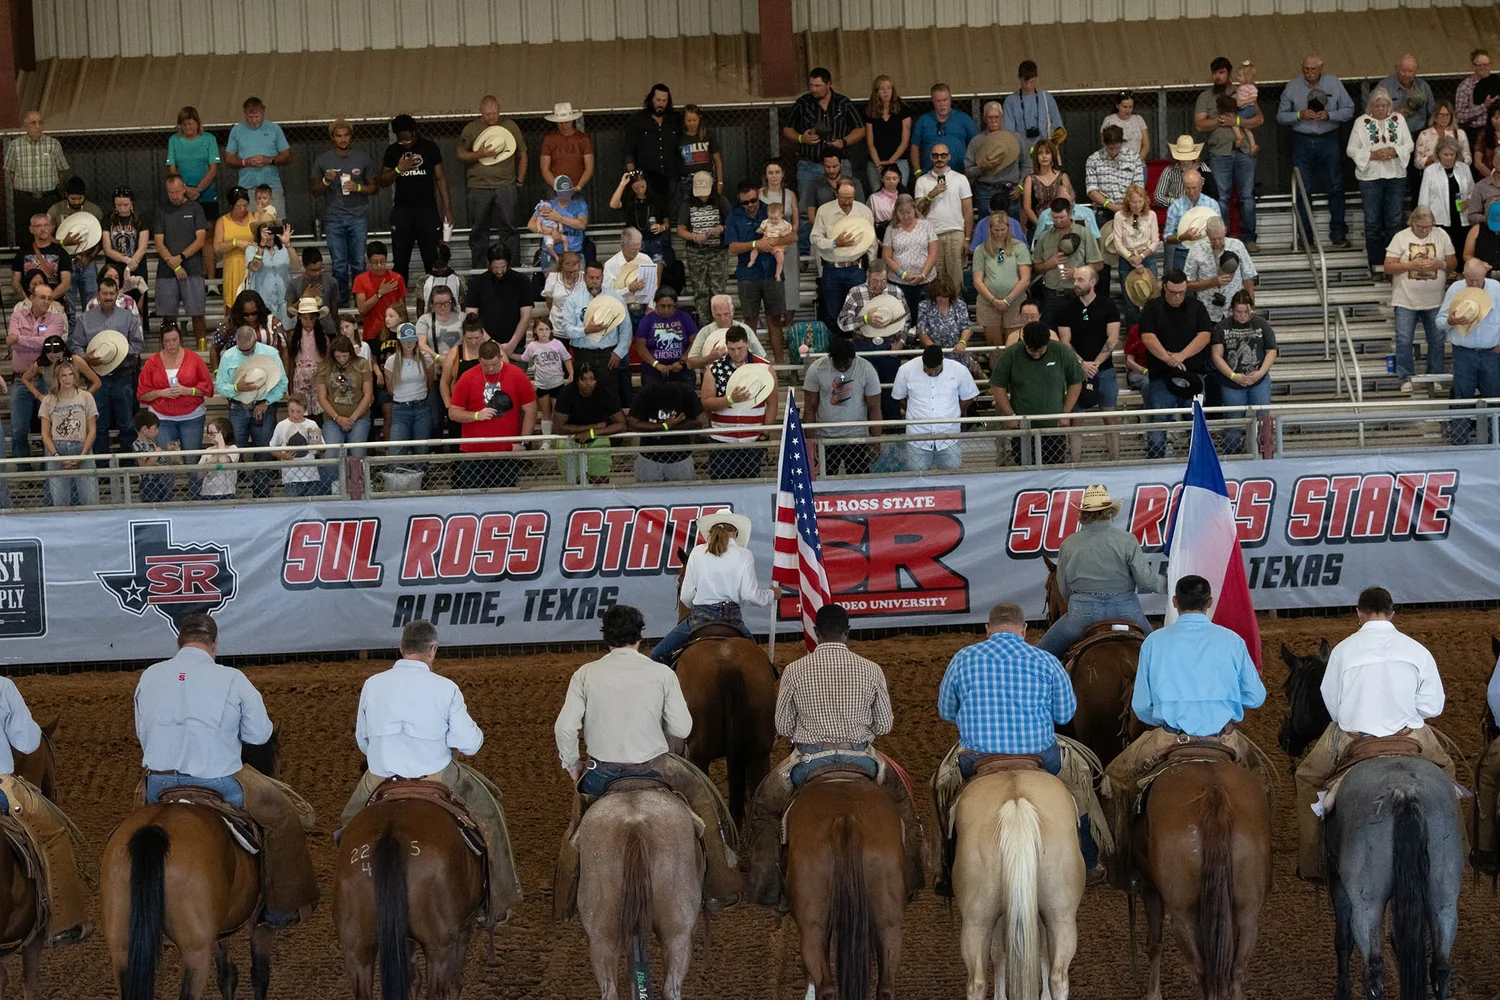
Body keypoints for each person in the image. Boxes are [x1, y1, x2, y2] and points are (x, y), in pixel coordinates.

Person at [554, 604, 741, 916]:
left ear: (605, 638)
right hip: (656, 767)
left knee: (576, 827)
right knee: (704, 803)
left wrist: (573, 764)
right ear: (640, 638)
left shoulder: (585, 674)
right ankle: (719, 885)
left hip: (602, 772)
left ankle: (565, 898)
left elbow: (564, 727)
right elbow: (683, 727)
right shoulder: (661, 673)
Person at [135, 612, 318, 925]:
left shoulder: (149, 676)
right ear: (214, 645)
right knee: (283, 816)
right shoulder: (233, 679)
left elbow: (143, 734)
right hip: (219, 781)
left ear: (179, 642)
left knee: (138, 827)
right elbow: (259, 735)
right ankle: (281, 905)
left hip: (158, 785)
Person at [340, 618, 522, 923]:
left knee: (349, 825)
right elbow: (471, 744)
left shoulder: (372, 685)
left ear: (401, 648)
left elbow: (362, 740)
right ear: (432, 650)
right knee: (490, 812)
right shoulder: (445, 688)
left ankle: (350, 898)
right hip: (437, 773)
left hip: (381, 774)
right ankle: (499, 898)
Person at [744, 602, 923, 909]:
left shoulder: (794, 670)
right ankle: (912, 877)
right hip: (862, 759)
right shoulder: (871, 669)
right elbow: (885, 724)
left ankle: (768, 887)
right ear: (847, 632)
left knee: (764, 807)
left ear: (816, 633)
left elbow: (783, 725)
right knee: (905, 806)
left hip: (807, 763)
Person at [1100, 575, 1266, 883]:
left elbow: (1142, 708)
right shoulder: (1231, 640)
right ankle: (1259, 859)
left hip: (1168, 737)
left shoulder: (1154, 642)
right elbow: (1256, 697)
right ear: (1209, 602)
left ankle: (1122, 867)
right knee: (1263, 782)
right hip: (1224, 736)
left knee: (1114, 781)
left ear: (1175, 603)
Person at [931, 602, 1105, 894]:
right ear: (1024, 630)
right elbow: (1064, 715)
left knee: (942, 789)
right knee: (1080, 782)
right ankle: (1087, 858)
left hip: (977, 756)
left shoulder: (963, 658)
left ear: (988, 630)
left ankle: (948, 866)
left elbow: (947, 711)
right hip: (1039, 754)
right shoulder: (1046, 660)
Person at [1293, 587, 1457, 880]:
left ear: (1359, 613)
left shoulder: (1343, 650)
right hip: (1410, 734)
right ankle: (1458, 848)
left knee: (1306, 778)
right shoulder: (1417, 650)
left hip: (1355, 736)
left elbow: (1332, 704)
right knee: (1447, 770)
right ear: (1392, 613)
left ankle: (1313, 863)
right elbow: (1434, 706)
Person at [1038, 484, 1161, 658]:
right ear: (1110, 512)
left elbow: (1063, 587)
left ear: (1082, 514)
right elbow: (1146, 580)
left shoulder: (1068, 544)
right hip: (1127, 611)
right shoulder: (1127, 540)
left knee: (1041, 654)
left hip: (1082, 613)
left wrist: (1077, 603)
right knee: (1160, 653)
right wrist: (1171, 585)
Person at [649, 512, 776, 663]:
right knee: (761, 662)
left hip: (700, 618)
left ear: (711, 531)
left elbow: (686, 596)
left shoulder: (696, 552)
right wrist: (771, 594)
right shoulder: (745, 555)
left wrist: (699, 608)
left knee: (656, 655)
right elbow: (750, 595)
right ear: (735, 532)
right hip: (732, 620)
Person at [1275, 54, 1354, 249]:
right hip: (1301, 139)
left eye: (1313, 69)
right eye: (1306, 70)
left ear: (1321, 68)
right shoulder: (1292, 86)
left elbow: (1349, 109)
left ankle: (1338, 234)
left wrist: (1329, 115)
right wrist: (1299, 114)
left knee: (1335, 186)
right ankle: (1305, 237)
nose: (1309, 73)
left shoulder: (1334, 83)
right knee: (1303, 189)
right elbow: (1281, 116)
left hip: (1329, 137)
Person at [1138, 270, 1213, 459]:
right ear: (1164, 288)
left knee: (1196, 423)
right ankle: (1155, 461)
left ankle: (1198, 460)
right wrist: (1168, 358)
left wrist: (1180, 356)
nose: (1177, 296)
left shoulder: (1197, 307)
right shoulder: (1152, 307)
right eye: (1173, 292)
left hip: (1193, 375)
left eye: (1182, 292)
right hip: (1161, 376)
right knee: (1159, 423)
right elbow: (1148, 337)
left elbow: (1205, 336)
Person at [447, 340, 537, 490]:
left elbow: (531, 410)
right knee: (473, 497)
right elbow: (453, 412)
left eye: (494, 365)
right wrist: (476, 416)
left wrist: (522, 443)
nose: (489, 369)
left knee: (504, 496)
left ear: (501, 357)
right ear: (479, 360)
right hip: (473, 452)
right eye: (485, 365)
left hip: (506, 451)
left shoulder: (517, 375)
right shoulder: (468, 377)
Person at [990, 319, 1083, 466]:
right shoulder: (1011, 354)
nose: (1037, 354)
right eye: (1032, 349)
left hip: (1053, 428)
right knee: (1024, 469)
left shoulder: (1061, 351)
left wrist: (1065, 413)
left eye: (1040, 349)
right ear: (1024, 342)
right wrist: (1010, 415)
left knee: (1055, 469)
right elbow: (997, 385)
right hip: (1023, 428)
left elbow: (1076, 382)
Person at [1193, 57, 1261, 251]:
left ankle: (1249, 239)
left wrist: (1237, 121)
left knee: (1246, 196)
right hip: (1219, 152)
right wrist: (1221, 121)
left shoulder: (1242, 90)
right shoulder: (1205, 97)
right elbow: (1199, 124)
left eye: (1221, 72)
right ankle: (1223, 238)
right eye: (1215, 73)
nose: (1217, 76)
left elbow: (1258, 118)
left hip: (1244, 151)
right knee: (1220, 197)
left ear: (1229, 73)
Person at [1385, 206, 1457, 389]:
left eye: (1428, 227)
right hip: (1405, 299)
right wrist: (1411, 265)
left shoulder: (1441, 235)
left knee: (1437, 340)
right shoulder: (1400, 237)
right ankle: (1406, 378)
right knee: (1403, 340)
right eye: (1420, 227)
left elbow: (1453, 262)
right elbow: (1388, 266)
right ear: (1412, 223)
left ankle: (1435, 376)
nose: (1425, 230)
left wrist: (1439, 263)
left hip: (1435, 299)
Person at [1055, 267, 1122, 462]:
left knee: (1110, 418)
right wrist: (1082, 364)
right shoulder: (1066, 308)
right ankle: (1075, 463)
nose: (1075, 284)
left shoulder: (1108, 306)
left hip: (1105, 370)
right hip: (1077, 372)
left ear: (1093, 281)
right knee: (1076, 419)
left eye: (1080, 280)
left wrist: (1096, 364)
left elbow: (1113, 338)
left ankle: (1116, 462)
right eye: (1075, 280)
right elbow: (1064, 341)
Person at [215, 324, 288, 499]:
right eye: (243, 350)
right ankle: (231, 494)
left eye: (249, 350)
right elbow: (220, 386)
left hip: (264, 407)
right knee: (233, 452)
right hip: (238, 407)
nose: (246, 353)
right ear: (236, 343)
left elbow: (282, 383)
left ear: (256, 341)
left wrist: (266, 402)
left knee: (263, 452)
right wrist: (236, 387)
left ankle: (261, 495)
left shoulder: (271, 353)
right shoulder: (228, 356)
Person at [726, 182, 795, 363]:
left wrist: (776, 240)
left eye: (753, 200)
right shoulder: (733, 216)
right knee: (750, 323)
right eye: (745, 203)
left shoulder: (771, 210)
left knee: (775, 320)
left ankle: (779, 366)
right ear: (739, 201)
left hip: (772, 272)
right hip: (748, 275)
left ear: (758, 195)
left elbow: (794, 236)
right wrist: (756, 244)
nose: (750, 205)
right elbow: (732, 247)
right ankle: (751, 365)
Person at [379, 114, 452, 283]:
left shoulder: (429, 147)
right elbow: (382, 181)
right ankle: (400, 303)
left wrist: (447, 209)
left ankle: (434, 297)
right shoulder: (393, 151)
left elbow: (440, 178)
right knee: (401, 260)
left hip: (427, 210)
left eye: (408, 138)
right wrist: (398, 169)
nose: (406, 143)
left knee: (432, 259)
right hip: (402, 210)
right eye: (401, 140)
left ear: (415, 132)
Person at [77, 274, 144, 453]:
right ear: (98, 295)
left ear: (117, 295)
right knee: (98, 426)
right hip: (96, 377)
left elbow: (138, 344)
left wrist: (119, 352)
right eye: (104, 293)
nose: (108, 297)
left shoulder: (128, 317)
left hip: (123, 376)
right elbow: (75, 344)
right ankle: (102, 473)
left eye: (111, 294)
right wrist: (85, 357)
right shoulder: (85, 319)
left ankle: (129, 467)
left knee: (127, 424)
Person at [311, 118, 375, 306]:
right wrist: (325, 181)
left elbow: (374, 187)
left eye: (346, 135)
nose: (343, 139)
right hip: (334, 220)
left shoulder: (362, 157)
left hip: (358, 217)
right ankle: (342, 305)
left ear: (351, 136)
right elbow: (314, 191)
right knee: (338, 265)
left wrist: (358, 187)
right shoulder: (323, 159)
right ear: (332, 138)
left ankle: (360, 303)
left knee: (358, 264)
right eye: (339, 136)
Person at [1348, 89, 1414, 271]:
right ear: (1371, 106)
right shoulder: (1361, 123)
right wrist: (1372, 155)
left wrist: (1395, 151)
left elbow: (1409, 144)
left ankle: (1394, 263)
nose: (1380, 109)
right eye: (1376, 105)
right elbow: (1351, 149)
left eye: (1383, 105)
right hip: (1370, 177)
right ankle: (1376, 263)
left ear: (1389, 106)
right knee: (1372, 221)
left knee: (1394, 219)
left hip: (1395, 175)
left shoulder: (1398, 120)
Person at [458, 95, 527, 266]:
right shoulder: (471, 128)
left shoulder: (510, 126)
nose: (492, 117)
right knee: (479, 229)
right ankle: (480, 269)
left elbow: (523, 153)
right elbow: (460, 154)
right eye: (487, 114)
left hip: (506, 184)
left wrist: (519, 180)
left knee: (509, 228)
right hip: (478, 186)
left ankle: (511, 267)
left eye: (494, 113)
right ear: (480, 112)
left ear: (499, 110)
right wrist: (480, 154)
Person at [701, 327, 776, 479]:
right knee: (721, 485)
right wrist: (730, 399)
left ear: (748, 344)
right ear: (726, 346)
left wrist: (765, 432)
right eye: (732, 349)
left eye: (740, 348)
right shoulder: (715, 369)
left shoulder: (764, 368)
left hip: (752, 438)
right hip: (722, 439)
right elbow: (706, 402)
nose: (736, 353)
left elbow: (773, 404)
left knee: (750, 483)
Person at [784, 68, 865, 210]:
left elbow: (860, 129)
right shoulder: (803, 103)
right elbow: (787, 129)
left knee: (846, 203)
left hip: (840, 163)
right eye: (811, 85)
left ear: (828, 84)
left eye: (818, 86)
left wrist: (843, 141)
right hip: (810, 163)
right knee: (806, 206)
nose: (813, 89)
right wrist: (802, 138)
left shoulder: (843, 103)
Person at [1439, 259, 1500, 445]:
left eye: (1478, 280)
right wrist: (1451, 321)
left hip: (1492, 353)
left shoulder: (1497, 288)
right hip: (1464, 353)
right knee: (1461, 398)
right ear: (1463, 276)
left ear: (1485, 275)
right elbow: (1439, 322)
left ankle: (1495, 441)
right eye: (1470, 280)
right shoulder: (1455, 289)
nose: (1474, 284)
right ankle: (1459, 441)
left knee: (1495, 398)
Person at [892, 343, 979, 471]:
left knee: (952, 477)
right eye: (927, 370)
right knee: (917, 478)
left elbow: (969, 397)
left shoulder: (959, 370)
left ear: (942, 362)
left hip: (949, 436)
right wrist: (912, 412)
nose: (932, 373)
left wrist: (954, 413)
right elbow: (899, 397)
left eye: (936, 370)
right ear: (922, 362)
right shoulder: (906, 370)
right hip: (917, 437)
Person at [1211, 291, 1278, 454]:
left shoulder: (1261, 325)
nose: (1242, 316)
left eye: (1245, 312)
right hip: (1232, 382)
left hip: (1259, 380)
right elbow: (1216, 355)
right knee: (1233, 421)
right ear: (1232, 310)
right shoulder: (1222, 327)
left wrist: (1261, 372)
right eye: (1238, 312)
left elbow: (1271, 351)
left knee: (1263, 419)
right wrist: (1233, 375)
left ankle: (1266, 452)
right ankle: (1231, 453)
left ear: (1251, 310)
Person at [7, 279, 66, 463]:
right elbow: (11, 341)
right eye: (42, 297)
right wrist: (37, 340)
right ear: (31, 298)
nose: (46, 301)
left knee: (49, 429)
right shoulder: (17, 315)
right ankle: (24, 475)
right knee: (18, 430)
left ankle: (48, 472)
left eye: (49, 298)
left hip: (48, 379)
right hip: (20, 380)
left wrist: (20, 338)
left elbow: (47, 345)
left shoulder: (56, 319)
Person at [804, 337, 881, 475]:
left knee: (859, 483)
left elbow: (874, 408)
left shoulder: (866, 369)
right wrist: (810, 443)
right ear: (831, 358)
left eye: (846, 363)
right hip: (825, 439)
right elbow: (810, 407)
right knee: (823, 482)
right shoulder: (816, 369)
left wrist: (875, 441)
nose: (842, 367)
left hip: (856, 438)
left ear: (853, 358)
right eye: (838, 363)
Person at [562, 262, 633, 405]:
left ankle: (612, 425)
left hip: (608, 354)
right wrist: (586, 330)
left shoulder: (616, 298)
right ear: (584, 278)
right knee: (584, 395)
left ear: (603, 278)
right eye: (591, 278)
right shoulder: (573, 299)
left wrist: (619, 352)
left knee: (610, 395)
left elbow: (626, 329)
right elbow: (566, 329)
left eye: (598, 278)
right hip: (583, 354)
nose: (594, 281)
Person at [811, 176, 876, 325]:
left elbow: (872, 243)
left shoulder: (864, 211)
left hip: (856, 268)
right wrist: (834, 243)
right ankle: (837, 345)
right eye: (843, 198)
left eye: (851, 198)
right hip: (832, 268)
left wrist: (871, 269)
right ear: (836, 194)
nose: (847, 202)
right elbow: (814, 238)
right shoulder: (824, 211)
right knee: (833, 312)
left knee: (859, 311)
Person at [1033, 198, 1104, 331]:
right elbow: (1036, 266)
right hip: (1052, 295)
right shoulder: (1044, 237)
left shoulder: (1084, 233)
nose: (1058, 221)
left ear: (1070, 214)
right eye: (1054, 217)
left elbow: (1098, 264)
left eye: (1062, 217)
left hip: (1078, 294)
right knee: (1050, 334)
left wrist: (1077, 272)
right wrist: (1048, 264)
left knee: (1081, 332)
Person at [154, 176, 209, 348]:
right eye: (171, 193)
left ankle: (202, 348)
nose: (175, 196)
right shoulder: (161, 210)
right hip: (167, 270)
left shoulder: (195, 208)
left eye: (177, 192)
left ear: (184, 188)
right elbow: (158, 242)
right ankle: (172, 349)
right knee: (168, 315)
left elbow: (200, 240)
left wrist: (181, 258)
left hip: (192, 268)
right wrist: (175, 265)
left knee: (197, 313)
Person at [971, 198, 1032, 345]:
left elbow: (1025, 279)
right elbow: (977, 280)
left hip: (1015, 302)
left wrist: (1007, 300)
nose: (999, 233)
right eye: (996, 230)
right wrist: (994, 300)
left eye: (1003, 230)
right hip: (988, 303)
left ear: (1008, 228)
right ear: (990, 229)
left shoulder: (1019, 247)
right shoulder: (981, 250)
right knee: (994, 346)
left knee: (1013, 343)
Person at [913, 143, 973, 289]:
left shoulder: (960, 179)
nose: (939, 159)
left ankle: (956, 310)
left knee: (956, 281)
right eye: (935, 156)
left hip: (955, 232)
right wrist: (931, 195)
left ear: (949, 157)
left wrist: (967, 238)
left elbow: (968, 211)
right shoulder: (922, 181)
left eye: (943, 155)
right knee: (935, 281)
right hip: (932, 235)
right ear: (931, 157)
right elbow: (919, 212)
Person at [5, 111, 69, 245]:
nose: (38, 126)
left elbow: (62, 170)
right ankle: (27, 261)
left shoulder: (53, 144)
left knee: (50, 229)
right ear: (26, 126)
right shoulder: (15, 146)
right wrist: (21, 188)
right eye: (34, 123)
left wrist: (54, 184)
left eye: (40, 123)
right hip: (25, 199)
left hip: (48, 197)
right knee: (25, 232)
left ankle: (50, 260)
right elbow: (10, 172)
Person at [554, 364, 624, 486]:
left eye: (592, 379)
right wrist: (593, 427)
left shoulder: (604, 392)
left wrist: (593, 432)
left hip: (598, 437)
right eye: (584, 379)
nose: (588, 384)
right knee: (573, 483)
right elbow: (559, 427)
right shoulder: (566, 394)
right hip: (569, 437)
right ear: (577, 380)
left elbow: (622, 424)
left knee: (600, 481)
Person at [39, 362, 98, 507]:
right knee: (60, 502)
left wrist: (83, 455)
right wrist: (56, 456)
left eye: (70, 374)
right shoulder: (48, 400)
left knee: (90, 500)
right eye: (63, 375)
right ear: (57, 378)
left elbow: (92, 430)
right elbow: (45, 433)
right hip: (57, 449)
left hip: (81, 446)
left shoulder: (86, 397)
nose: (67, 379)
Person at [626, 377, 707, 482]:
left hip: (680, 456)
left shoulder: (686, 393)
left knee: (684, 495)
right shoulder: (645, 394)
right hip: (649, 456)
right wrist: (665, 426)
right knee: (647, 495)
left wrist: (673, 425)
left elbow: (702, 422)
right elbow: (633, 424)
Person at [48, 177, 103, 323]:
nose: (77, 201)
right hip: (65, 263)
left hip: (87, 262)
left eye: (80, 198)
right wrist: (62, 242)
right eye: (73, 198)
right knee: (69, 306)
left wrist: (89, 257)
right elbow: (46, 236)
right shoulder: (56, 210)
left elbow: (101, 239)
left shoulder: (94, 210)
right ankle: (71, 340)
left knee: (92, 304)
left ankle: (90, 337)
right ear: (66, 195)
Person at [1184, 217, 1257, 326]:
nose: (1217, 242)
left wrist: (1250, 307)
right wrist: (1212, 283)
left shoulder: (1237, 246)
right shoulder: (1196, 249)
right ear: (1207, 233)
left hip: (1234, 310)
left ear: (1225, 231)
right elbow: (1187, 284)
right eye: (1213, 239)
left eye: (1220, 238)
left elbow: (1248, 279)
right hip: (1207, 311)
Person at [623, 83, 683, 204]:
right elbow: (628, 150)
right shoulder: (637, 120)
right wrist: (634, 176)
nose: (661, 103)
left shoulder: (675, 120)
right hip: (647, 177)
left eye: (664, 100)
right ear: (651, 99)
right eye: (658, 100)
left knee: (672, 209)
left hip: (671, 175)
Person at [1003, 61, 1064, 178]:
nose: (1029, 86)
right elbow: (1009, 133)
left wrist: (1053, 147)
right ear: (1019, 79)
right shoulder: (1011, 101)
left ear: (1036, 78)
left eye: (1032, 82)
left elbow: (1058, 127)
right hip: (1021, 156)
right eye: (1025, 82)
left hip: (1045, 153)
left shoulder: (1046, 98)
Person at [465, 244, 532, 351]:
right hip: (484, 345)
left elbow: (526, 317)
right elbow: (472, 317)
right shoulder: (477, 283)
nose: (500, 271)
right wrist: (491, 342)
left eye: (503, 267)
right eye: (495, 268)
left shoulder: (522, 281)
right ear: (489, 263)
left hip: (515, 345)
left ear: (508, 264)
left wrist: (512, 344)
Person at [385, 324, 438, 457]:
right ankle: (397, 476)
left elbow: (429, 381)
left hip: (421, 407)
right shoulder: (391, 362)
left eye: (412, 340)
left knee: (421, 450)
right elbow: (390, 388)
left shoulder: (425, 358)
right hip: (400, 409)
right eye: (405, 340)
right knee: (396, 451)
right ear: (399, 342)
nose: (409, 344)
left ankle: (421, 476)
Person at [677, 173, 730, 306]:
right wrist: (694, 237)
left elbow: (733, 224)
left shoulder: (721, 201)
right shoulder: (687, 204)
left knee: (718, 290)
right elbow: (680, 230)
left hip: (718, 251)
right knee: (700, 291)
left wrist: (722, 229)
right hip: (696, 252)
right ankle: (704, 322)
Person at [761, 159, 803, 326]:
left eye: (777, 172)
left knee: (791, 283)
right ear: (765, 175)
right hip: (767, 244)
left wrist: (786, 239)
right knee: (769, 282)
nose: (774, 176)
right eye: (770, 173)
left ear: (782, 174)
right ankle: (772, 323)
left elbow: (796, 221)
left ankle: (789, 322)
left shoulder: (790, 194)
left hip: (787, 243)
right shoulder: (759, 195)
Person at [881, 193, 939, 315]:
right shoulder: (891, 229)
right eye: (902, 213)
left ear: (914, 210)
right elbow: (887, 256)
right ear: (896, 212)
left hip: (925, 280)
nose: (906, 217)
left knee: (925, 314)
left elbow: (933, 253)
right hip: (899, 281)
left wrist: (923, 274)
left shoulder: (926, 225)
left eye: (909, 213)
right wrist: (903, 274)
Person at [1418, 138, 1475, 259]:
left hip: (1461, 216)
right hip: (1439, 218)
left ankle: (1460, 271)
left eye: (1452, 154)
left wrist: (1469, 201)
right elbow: (1424, 197)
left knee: (1461, 246)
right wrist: (1424, 218)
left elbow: (1472, 191)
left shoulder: (1464, 168)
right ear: (1438, 153)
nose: (1448, 158)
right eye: (1445, 154)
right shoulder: (1430, 171)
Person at [635, 287, 697, 387]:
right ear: (655, 304)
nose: (666, 309)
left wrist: (682, 361)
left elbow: (695, 342)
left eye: (670, 306)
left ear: (675, 305)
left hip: (681, 367)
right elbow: (640, 347)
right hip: (654, 369)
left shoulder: (684, 317)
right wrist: (656, 364)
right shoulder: (647, 320)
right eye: (662, 306)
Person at [911, 83, 978, 175]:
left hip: (959, 174)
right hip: (929, 174)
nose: (942, 104)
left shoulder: (964, 119)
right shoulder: (923, 120)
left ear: (950, 99)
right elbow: (914, 146)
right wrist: (917, 171)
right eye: (938, 101)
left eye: (945, 100)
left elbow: (975, 144)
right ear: (933, 101)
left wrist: (973, 170)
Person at [267, 391, 324, 497]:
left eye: (298, 411)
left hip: (311, 474)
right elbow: (272, 448)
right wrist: (283, 456)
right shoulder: (281, 425)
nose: (294, 415)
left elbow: (322, 448)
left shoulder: (311, 424)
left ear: (305, 410)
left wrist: (318, 444)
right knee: (293, 505)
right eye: (291, 411)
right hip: (291, 477)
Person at [1085, 125, 1146, 225]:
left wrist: (1128, 205)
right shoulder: (1093, 159)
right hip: (1105, 209)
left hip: (1130, 208)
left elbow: (1138, 187)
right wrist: (1110, 205)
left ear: (1122, 143)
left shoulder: (1133, 158)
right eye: (1110, 148)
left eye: (1117, 147)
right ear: (1103, 143)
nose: (1114, 151)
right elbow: (1092, 190)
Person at [686, 295, 767, 368]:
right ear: (713, 314)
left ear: (732, 312)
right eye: (718, 315)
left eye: (726, 314)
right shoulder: (705, 331)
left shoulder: (745, 329)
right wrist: (709, 358)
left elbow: (762, 357)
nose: (723, 319)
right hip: (712, 378)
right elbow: (690, 363)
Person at [1162, 169, 1220, 272]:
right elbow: (1167, 237)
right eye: (1188, 188)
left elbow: (1219, 230)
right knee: (1183, 286)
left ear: (1201, 184)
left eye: (1194, 188)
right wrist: (1182, 237)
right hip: (1182, 253)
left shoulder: (1212, 204)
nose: (1191, 192)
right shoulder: (1175, 207)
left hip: (1207, 252)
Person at [528, 176, 589, 272]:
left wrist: (559, 218)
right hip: (552, 253)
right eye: (562, 194)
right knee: (552, 283)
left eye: (567, 193)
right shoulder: (547, 205)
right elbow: (531, 224)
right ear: (555, 192)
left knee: (577, 284)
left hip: (574, 252)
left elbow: (582, 224)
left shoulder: (580, 204)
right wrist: (551, 231)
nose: (565, 196)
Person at [352, 241, 407, 345]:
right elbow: (362, 309)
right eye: (375, 262)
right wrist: (379, 293)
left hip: (394, 332)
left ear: (386, 259)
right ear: (369, 260)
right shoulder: (360, 279)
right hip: (372, 333)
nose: (379, 265)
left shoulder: (397, 278)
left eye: (382, 261)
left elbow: (402, 309)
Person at [244, 220, 295, 331]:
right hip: (263, 302)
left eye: (272, 226)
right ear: (259, 231)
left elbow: (297, 266)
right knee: (266, 334)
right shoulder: (251, 249)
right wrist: (261, 245)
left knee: (288, 334)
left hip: (285, 302)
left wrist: (288, 245)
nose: (269, 229)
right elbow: (255, 267)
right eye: (265, 227)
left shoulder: (284, 249)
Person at [914, 274, 973, 369]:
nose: (943, 300)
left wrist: (962, 342)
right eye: (940, 297)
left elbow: (966, 327)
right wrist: (934, 350)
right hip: (934, 356)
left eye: (946, 297)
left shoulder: (960, 305)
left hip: (957, 353)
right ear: (934, 294)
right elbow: (922, 331)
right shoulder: (924, 306)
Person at [865, 75, 912, 192]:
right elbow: (870, 143)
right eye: (882, 89)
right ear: (876, 92)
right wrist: (878, 165)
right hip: (876, 162)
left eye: (889, 88)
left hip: (898, 160)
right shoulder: (870, 111)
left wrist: (891, 162)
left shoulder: (903, 109)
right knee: (877, 194)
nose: (886, 92)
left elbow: (905, 141)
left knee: (899, 194)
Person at [540, 101, 594, 192]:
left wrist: (578, 187)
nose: (564, 126)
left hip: (577, 187)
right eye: (561, 123)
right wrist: (557, 187)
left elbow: (589, 168)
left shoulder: (583, 139)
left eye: (567, 122)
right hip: (555, 188)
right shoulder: (549, 140)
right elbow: (545, 169)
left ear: (572, 121)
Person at [1022, 139, 1073, 234]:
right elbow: (1027, 207)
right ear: (1036, 157)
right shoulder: (1030, 179)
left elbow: (1070, 203)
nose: (1044, 156)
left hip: (1061, 227)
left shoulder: (1063, 176)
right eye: (1040, 153)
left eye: (1047, 153)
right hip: (1037, 227)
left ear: (1053, 155)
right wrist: (1041, 225)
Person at [676, 104, 723, 199]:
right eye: (689, 120)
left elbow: (718, 162)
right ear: (684, 121)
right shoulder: (679, 138)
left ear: (699, 118)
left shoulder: (708, 135)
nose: (692, 123)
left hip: (705, 178)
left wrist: (720, 182)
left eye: (694, 120)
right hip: (687, 181)